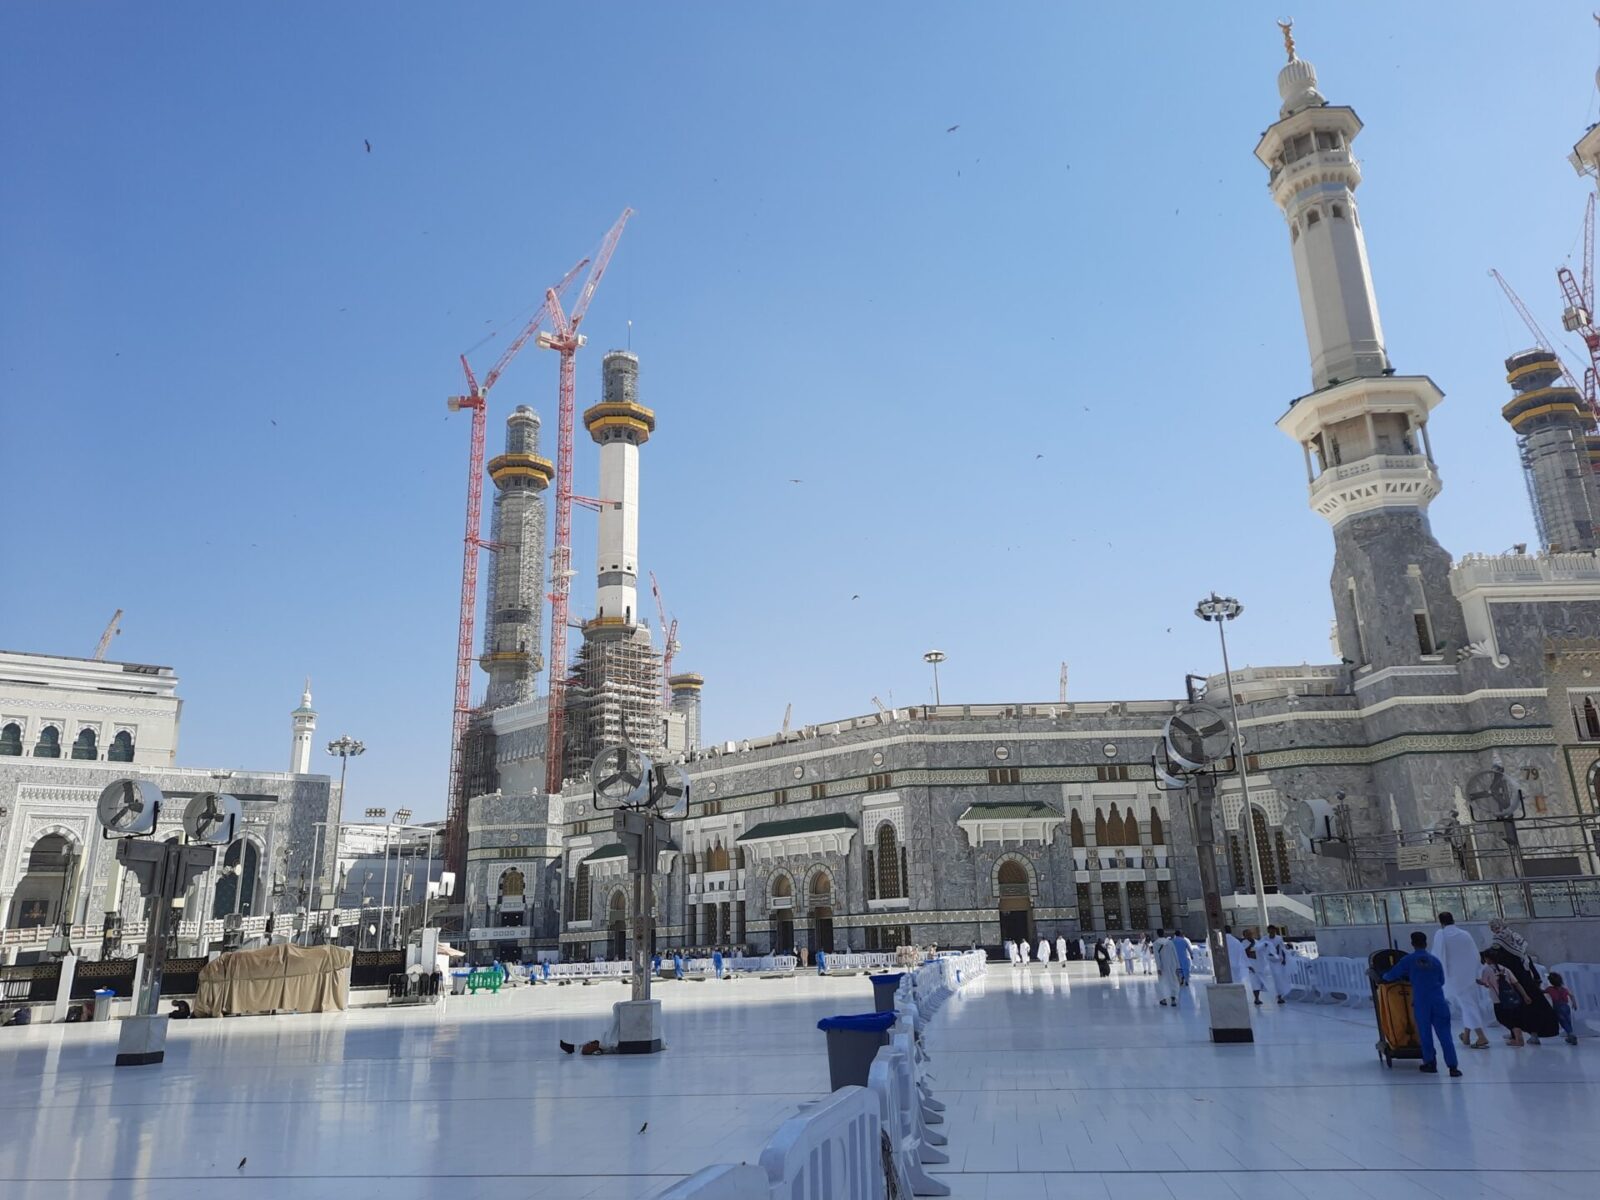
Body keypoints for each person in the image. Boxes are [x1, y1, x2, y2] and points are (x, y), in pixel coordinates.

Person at [1381, 930, 1463, 1077]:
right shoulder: (1435, 961)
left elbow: (1392, 975)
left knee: (1425, 1034)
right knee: (1445, 1035)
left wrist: (1383, 977)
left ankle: (1430, 1063)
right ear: (1426, 943)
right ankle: (1453, 1067)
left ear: (1413, 944)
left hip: (1422, 1002)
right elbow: (1442, 980)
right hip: (1439, 1001)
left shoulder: (1408, 960)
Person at [1484, 918, 1559, 1045]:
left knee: (1516, 1008)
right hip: (1525, 978)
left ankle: (1525, 1034)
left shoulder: (1499, 941)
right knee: (1529, 1005)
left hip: (1513, 981)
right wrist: (1536, 977)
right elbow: (1527, 958)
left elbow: (1494, 957)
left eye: (1494, 927)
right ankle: (1519, 1033)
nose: (1493, 930)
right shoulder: (1515, 937)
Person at [1431, 912, 1489, 1050]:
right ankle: (1467, 1036)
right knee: (1468, 1004)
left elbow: (1437, 955)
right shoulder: (1465, 934)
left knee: (1468, 1006)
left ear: (1441, 922)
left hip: (1453, 977)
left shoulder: (1441, 934)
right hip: (1468, 976)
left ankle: (1481, 1037)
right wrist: (1476, 972)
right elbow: (1475, 954)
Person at [1544, 971, 1579, 1046]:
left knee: (1563, 1022)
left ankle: (1571, 1034)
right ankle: (1570, 1035)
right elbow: (1572, 995)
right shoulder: (1564, 989)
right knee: (1568, 1021)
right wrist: (1574, 1003)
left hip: (1558, 1007)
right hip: (1566, 1007)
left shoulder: (1549, 989)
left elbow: (1542, 993)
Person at [1261, 925, 1291, 1003]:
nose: (1272, 932)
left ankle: (1281, 994)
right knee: (1273, 978)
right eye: (1270, 930)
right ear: (1268, 931)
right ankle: (1277, 994)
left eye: (1273, 930)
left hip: (1278, 960)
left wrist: (1284, 959)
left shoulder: (1279, 938)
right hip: (1269, 961)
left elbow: (1282, 948)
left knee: (1280, 977)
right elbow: (1260, 948)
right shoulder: (1264, 939)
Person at [1154, 929, 1181, 1007]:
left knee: (1163, 982)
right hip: (1172, 965)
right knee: (1173, 980)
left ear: (1157, 934)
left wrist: (1158, 967)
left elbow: (1157, 957)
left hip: (1162, 966)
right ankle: (1173, 999)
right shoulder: (1170, 942)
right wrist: (1178, 966)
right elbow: (1175, 954)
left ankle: (1164, 999)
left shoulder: (1156, 944)